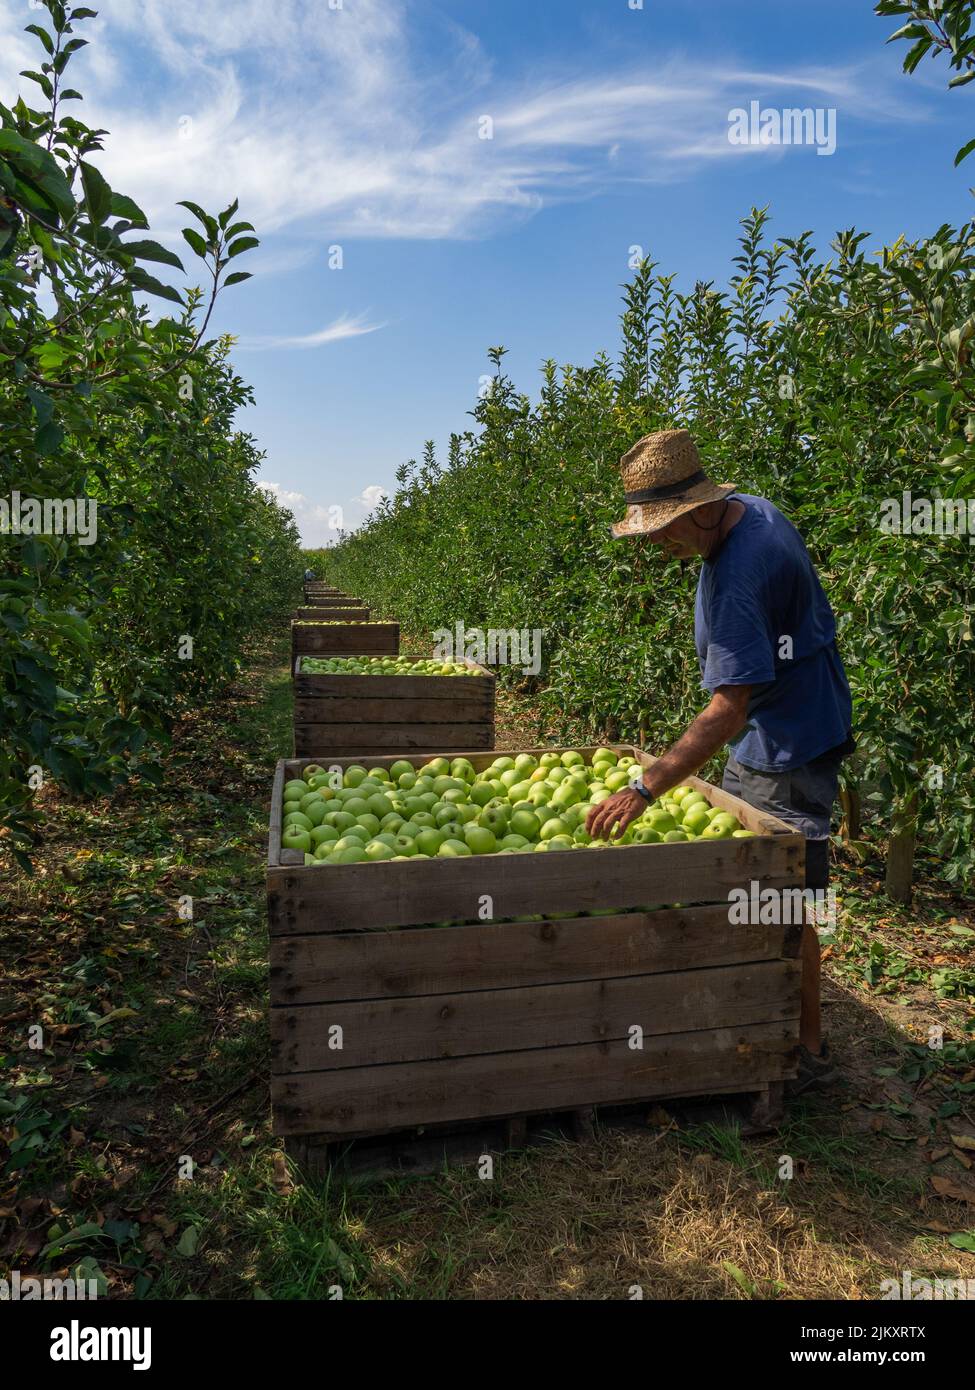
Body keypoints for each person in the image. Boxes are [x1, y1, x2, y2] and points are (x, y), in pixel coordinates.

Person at [586, 428, 853, 1091]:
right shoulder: (755, 510)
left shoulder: (731, 578)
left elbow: (726, 709)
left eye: (666, 527)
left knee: (780, 903)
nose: (657, 543)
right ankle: (765, 1026)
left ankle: (801, 1055)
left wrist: (643, 788)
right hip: (802, 720)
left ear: (702, 509)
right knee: (758, 894)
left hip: (782, 747)